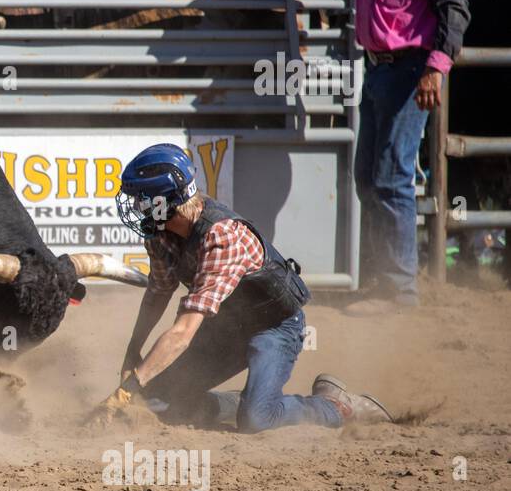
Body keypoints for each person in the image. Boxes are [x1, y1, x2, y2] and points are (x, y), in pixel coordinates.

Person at [249, 0, 472, 314]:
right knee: (369, 177)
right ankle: (383, 281)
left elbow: (455, 4)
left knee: (389, 177)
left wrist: (436, 67)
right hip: (380, 69)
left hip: (411, 70)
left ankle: (398, 289)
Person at [101, 143, 392, 432]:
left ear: (165, 203)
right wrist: (133, 349)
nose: (137, 207)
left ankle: (336, 405)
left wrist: (127, 389)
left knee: (257, 419)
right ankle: (239, 402)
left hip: (274, 327)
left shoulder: (222, 237)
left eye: (142, 199)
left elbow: (182, 333)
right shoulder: (160, 235)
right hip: (226, 328)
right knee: (157, 402)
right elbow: (158, 292)